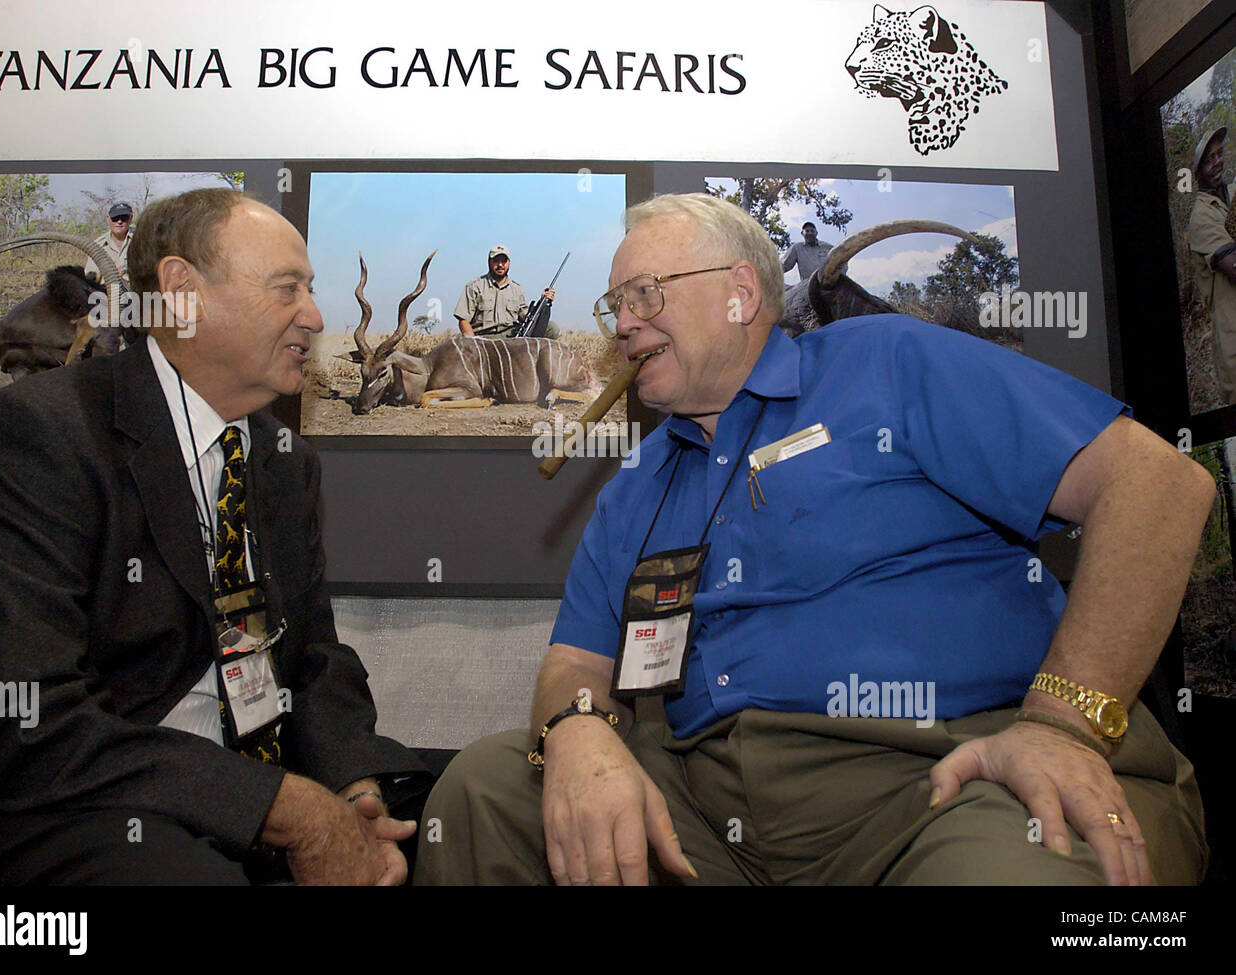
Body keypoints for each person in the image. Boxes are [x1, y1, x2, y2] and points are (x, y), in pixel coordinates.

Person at [415, 192, 1213, 886]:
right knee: (487, 789)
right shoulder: (635, 485)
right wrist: (581, 731)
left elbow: (1158, 485)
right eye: (613, 303)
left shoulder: (887, 361)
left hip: (952, 778)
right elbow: (575, 663)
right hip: (714, 812)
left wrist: (1061, 723)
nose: (623, 323)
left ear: (741, 291)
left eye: (646, 293)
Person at [0, 188, 428, 885]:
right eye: (287, 288)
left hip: (251, 788)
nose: (315, 316)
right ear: (180, 291)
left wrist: (354, 788)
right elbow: (25, 725)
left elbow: (314, 658)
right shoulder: (35, 437)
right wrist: (280, 807)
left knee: (449, 810)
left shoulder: (285, 461)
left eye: (312, 291)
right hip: (70, 810)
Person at [1187, 126, 1236, 406]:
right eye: (1209, 159)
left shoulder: (1231, 194)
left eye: (1219, 154)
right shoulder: (1201, 217)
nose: (1217, 162)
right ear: (1198, 173)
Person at [454, 244, 558, 339]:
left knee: (551, 328)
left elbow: (525, 317)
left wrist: (542, 301)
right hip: (485, 339)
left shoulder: (516, 289)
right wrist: (473, 344)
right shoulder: (474, 286)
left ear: (509, 263)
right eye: (496, 261)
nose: (500, 265)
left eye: (504, 261)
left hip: (511, 337)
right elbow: (463, 320)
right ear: (489, 262)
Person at [84, 201, 135, 284]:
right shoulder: (98, 245)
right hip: (106, 292)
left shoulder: (142, 241)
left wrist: (126, 269)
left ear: (130, 218)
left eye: (124, 218)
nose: (119, 222)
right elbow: (91, 278)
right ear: (108, 219)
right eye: (115, 218)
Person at [780, 221, 832, 285]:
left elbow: (841, 264)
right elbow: (783, 265)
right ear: (802, 233)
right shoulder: (797, 248)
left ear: (816, 233)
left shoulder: (828, 247)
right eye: (807, 231)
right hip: (807, 288)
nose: (810, 233)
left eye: (812, 231)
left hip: (829, 286)